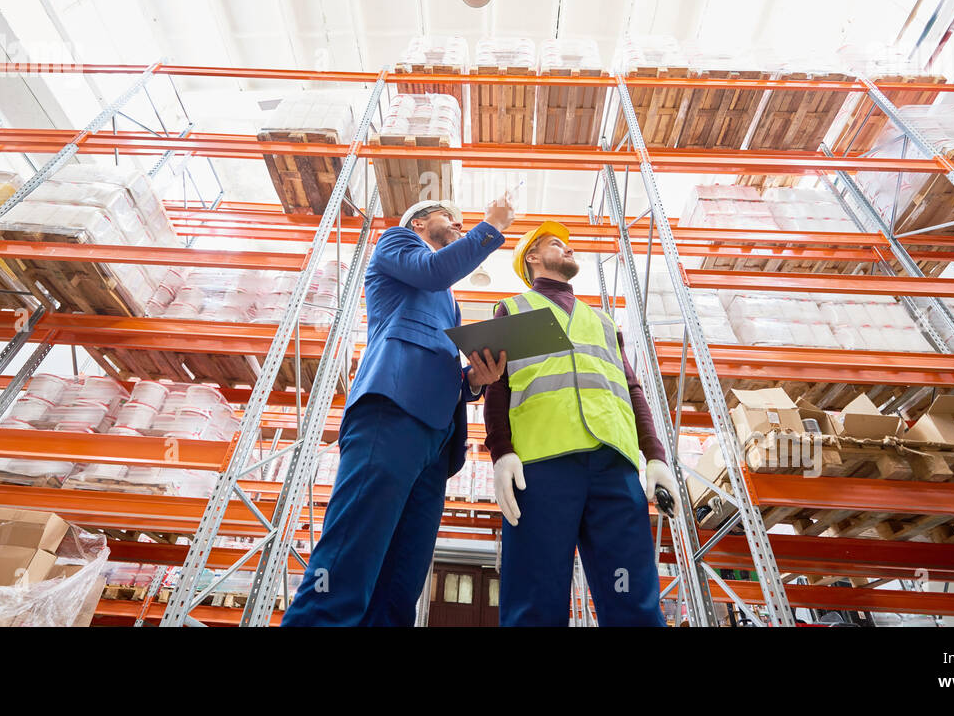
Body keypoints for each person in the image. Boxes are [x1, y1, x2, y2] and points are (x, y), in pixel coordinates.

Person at [280, 194, 514, 626]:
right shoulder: (396, 243)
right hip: (392, 409)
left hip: (436, 439)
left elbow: (441, 363)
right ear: (422, 221)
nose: (461, 226)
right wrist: (490, 226)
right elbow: (434, 270)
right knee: (352, 549)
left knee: (401, 579)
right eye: (453, 219)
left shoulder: (448, 301)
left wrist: (474, 380)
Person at [485, 220, 677, 626]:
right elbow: (497, 386)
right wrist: (502, 453)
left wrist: (655, 456)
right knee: (534, 600)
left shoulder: (603, 322)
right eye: (556, 244)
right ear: (531, 257)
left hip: (614, 465)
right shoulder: (516, 308)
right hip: (542, 464)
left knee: (634, 598)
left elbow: (631, 387)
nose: (568, 248)